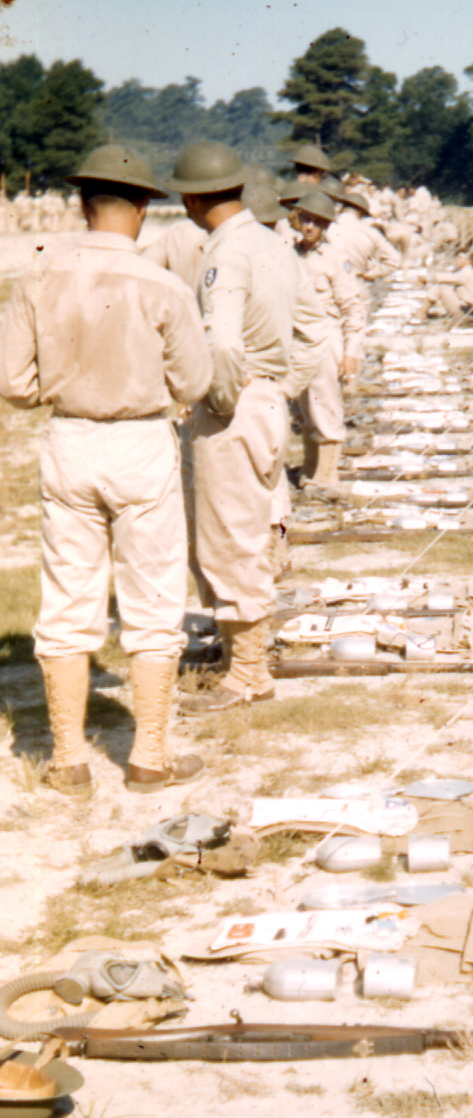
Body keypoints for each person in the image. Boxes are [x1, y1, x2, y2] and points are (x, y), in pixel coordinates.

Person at [0, 144, 212, 795]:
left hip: (71, 437)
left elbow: (12, 381)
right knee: (152, 602)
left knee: (67, 599)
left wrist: (56, 386)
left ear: (81, 203)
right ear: (145, 207)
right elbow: (196, 379)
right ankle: (149, 755)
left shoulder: (38, 279)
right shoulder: (165, 286)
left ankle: (68, 760)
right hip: (142, 439)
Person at [169, 141, 326, 713]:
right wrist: (281, 388)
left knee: (228, 537)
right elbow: (314, 330)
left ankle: (249, 672)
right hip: (264, 399)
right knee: (243, 530)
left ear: (191, 198)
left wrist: (223, 396)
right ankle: (240, 656)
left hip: (232, 407)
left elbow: (222, 343)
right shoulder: (272, 244)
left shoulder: (227, 253)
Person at [292, 189, 366, 489]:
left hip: (326, 337)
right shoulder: (290, 253)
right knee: (304, 407)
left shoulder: (336, 259)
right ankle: (311, 468)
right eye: (305, 220)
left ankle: (327, 475)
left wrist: (350, 354)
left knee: (326, 405)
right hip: (297, 338)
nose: (309, 227)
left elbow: (353, 308)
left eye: (316, 222)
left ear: (325, 227)